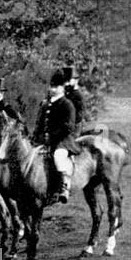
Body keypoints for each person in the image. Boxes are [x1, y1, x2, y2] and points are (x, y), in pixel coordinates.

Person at [32, 69, 80, 203]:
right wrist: (35, 137)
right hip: (46, 140)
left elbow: (68, 127)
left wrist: (52, 137)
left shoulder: (67, 104)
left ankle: (64, 187)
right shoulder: (46, 104)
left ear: (62, 87)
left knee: (58, 156)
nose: (53, 89)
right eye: (51, 86)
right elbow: (39, 124)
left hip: (63, 140)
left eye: (56, 86)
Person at [62, 64, 86, 131]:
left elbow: (80, 113)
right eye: (65, 80)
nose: (67, 83)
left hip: (74, 126)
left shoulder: (78, 96)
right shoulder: (66, 92)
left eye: (69, 80)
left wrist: (70, 122)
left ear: (76, 80)